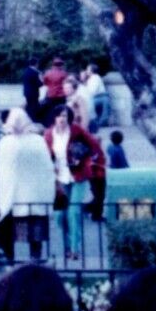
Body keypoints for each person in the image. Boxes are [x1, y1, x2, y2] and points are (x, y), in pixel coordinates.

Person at [43, 105, 105, 262]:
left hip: (78, 175)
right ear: (54, 118)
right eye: (59, 116)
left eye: (65, 116)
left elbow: (94, 145)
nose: (62, 119)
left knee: (73, 212)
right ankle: (67, 247)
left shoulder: (76, 131)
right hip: (59, 179)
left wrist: (88, 159)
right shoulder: (49, 135)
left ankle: (75, 249)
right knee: (59, 216)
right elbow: (45, 155)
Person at [0, 108, 55, 261]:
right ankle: (36, 260)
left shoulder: (6, 143)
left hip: (13, 198)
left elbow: (1, 168)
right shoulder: (38, 141)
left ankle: (10, 261)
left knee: (10, 235)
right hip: (36, 198)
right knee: (36, 237)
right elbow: (47, 167)